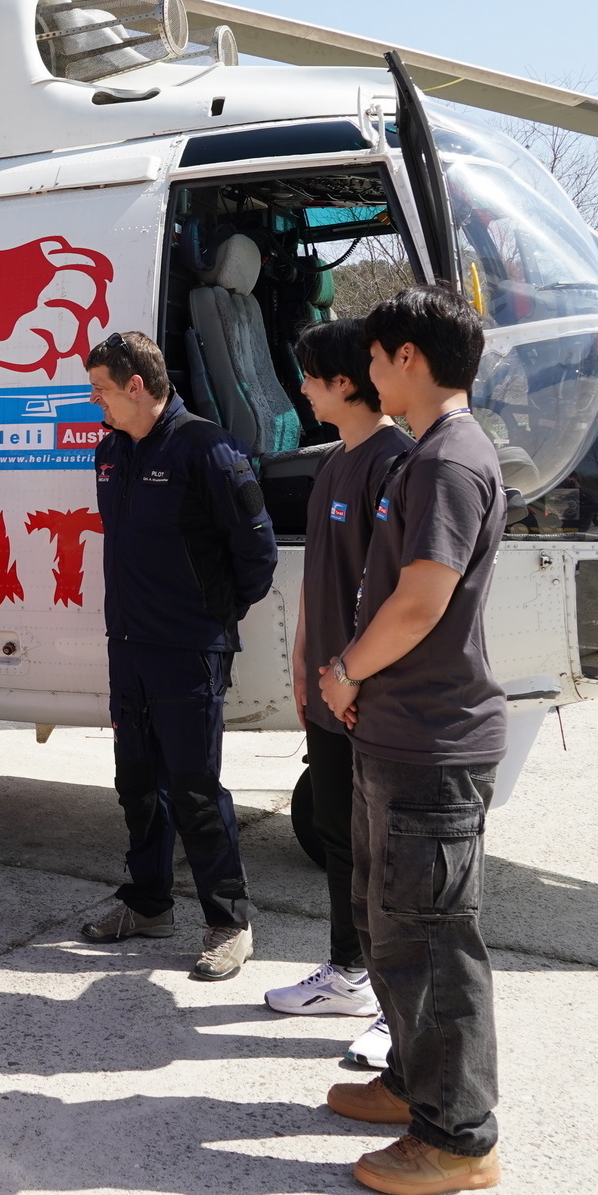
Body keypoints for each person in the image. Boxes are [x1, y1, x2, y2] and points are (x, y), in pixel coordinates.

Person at [317, 286, 506, 1195]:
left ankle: (458, 1139)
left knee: (431, 941)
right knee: (393, 928)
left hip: (430, 740)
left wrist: (347, 670)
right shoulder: (430, 453)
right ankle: (411, 1087)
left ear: (410, 361)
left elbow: (422, 600)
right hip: (401, 733)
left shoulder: (445, 463)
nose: (369, 371)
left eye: (378, 357)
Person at [79, 330, 278, 981]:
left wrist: (208, 618)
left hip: (189, 649)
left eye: (101, 389)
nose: (94, 400)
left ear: (136, 386)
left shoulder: (208, 449)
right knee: (138, 783)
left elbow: (257, 556)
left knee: (193, 788)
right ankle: (147, 903)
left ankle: (229, 922)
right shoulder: (111, 452)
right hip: (130, 647)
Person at [267, 320, 412, 1048]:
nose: (302, 387)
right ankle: (347, 975)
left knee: (384, 852)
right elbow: (319, 579)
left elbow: (397, 595)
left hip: (368, 694)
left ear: (346, 382)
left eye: (311, 376)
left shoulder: (397, 463)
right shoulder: (332, 462)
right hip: (327, 687)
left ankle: (396, 1009)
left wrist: (354, 676)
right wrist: (302, 658)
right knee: (338, 837)